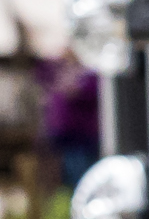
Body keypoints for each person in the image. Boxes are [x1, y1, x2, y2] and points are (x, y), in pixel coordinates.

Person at [41, 54, 104, 202]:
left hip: (82, 135)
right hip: (67, 136)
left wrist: (72, 89)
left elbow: (85, 93)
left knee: (82, 172)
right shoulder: (64, 73)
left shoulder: (90, 75)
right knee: (72, 170)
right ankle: (78, 199)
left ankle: (86, 199)